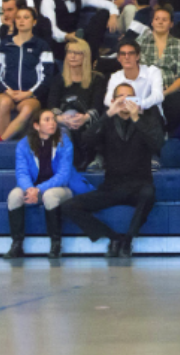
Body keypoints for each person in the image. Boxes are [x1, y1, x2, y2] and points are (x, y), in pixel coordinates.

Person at [60, 83, 164, 257]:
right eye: (120, 97)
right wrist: (108, 114)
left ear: (136, 99)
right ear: (113, 100)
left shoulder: (147, 118)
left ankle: (128, 240)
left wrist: (136, 118)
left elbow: (158, 144)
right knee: (69, 206)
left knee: (149, 193)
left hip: (139, 185)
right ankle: (114, 238)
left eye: (129, 97)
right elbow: (87, 139)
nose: (125, 101)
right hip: (112, 186)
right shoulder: (107, 120)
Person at [2, 109, 95, 260]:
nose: (52, 122)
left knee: (50, 195)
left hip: (62, 188)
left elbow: (63, 176)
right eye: (47, 120)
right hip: (34, 188)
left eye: (53, 119)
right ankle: (17, 244)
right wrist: (30, 189)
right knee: (14, 196)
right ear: (36, 126)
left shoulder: (64, 142)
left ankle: (55, 244)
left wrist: (38, 189)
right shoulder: (23, 145)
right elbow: (22, 173)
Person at [0, 7, 55, 141]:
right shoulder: (4, 44)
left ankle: (0, 142)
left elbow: (48, 76)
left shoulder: (42, 45)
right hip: (6, 93)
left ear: (34, 22)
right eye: (18, 17)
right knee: (3, 104)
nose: (22, 21)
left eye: (26, 17)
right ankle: (2, 145)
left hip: (30, 96)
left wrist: (30, 92)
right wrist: (6, 90)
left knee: (27, 109)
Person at [47, 37, 107, 171]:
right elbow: (52, 107)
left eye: (77, 53)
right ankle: (70, 164)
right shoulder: (58, 79)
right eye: (70, 52)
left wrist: (84, 117)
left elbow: (97, 106)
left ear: (85, 56)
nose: (72, 56)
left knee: (70, 117)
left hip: (89, 123)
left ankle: (66, 166)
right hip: (64, 122)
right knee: (63, 123)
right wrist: (61, 118)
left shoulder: (97, 79)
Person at [40, 0, 120, 62]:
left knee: (103, 14)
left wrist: (113, 15)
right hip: (58, 44)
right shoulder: (49, 0)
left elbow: (108, 4)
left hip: (77, 39)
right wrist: (67, 36)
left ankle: (91, 58)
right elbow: (52, 30)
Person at [138, 6, 180, 133]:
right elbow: (138, 71)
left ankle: (170, 137)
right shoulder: (141, 43)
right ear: (152, 22)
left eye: (164, 19)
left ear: (171, 24)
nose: (160, 22)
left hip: (170, 90)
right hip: (147, 89)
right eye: (157, 19)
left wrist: (164, 93)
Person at [104, 39, 165, 115]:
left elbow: (158, 96)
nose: (127, 57)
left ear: (137, 56)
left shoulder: (153, 72)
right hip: (125, 116)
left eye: (131, 53)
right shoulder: (115, 77)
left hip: (148, 116)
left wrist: (137, 105)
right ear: (118, 58)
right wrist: (126, 106)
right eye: (123, 54)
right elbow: (107, 100)